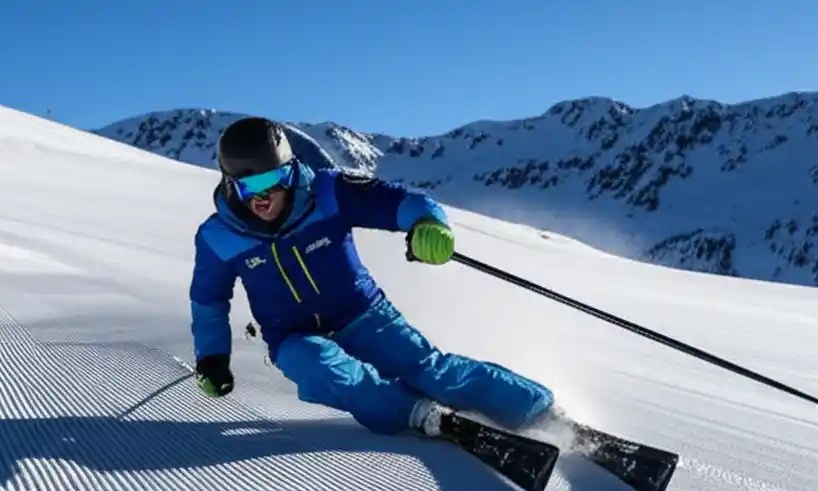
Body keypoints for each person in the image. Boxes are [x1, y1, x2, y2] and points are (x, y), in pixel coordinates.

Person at [189, 116, 554, 439]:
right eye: (249, 186)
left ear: (291, 171)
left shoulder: (328, 193)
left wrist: (429, 223)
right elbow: (208, 300)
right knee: (320, 367)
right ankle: (415, 414)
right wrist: (212, 359)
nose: (263, 196)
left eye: (274, 179)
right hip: (293, 336)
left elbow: (398, 201)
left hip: (363, 314)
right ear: (230, 184)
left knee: (430, 373)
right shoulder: (218, 237)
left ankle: (541, 413)